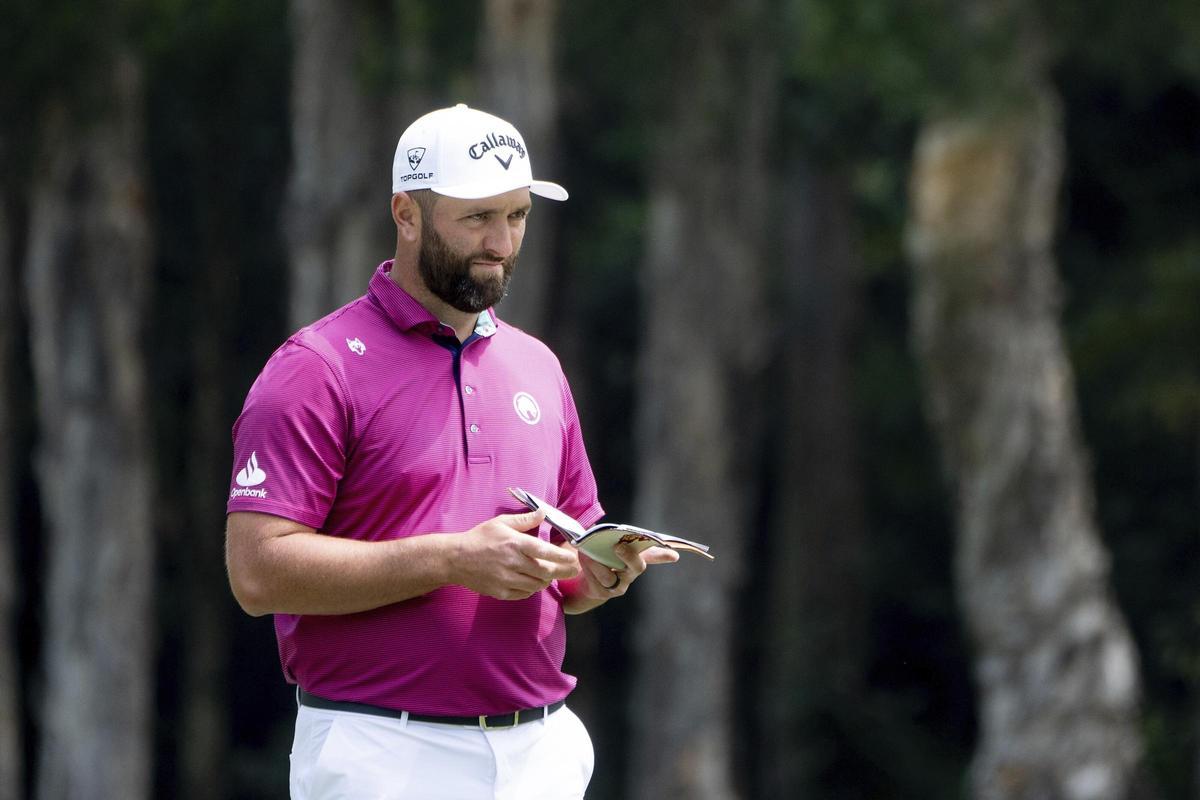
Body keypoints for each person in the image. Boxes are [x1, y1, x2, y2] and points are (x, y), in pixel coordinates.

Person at [224, 103, 678, 800]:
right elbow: (256, 573)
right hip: (383, 750)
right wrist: (451, 558)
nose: (501, 241)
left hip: (540, 752)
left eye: (518, 216)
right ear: (407, 214)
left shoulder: (537, 366)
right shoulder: (316, 368)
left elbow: (569, 571)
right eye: (477, 218)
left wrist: (599, 574)